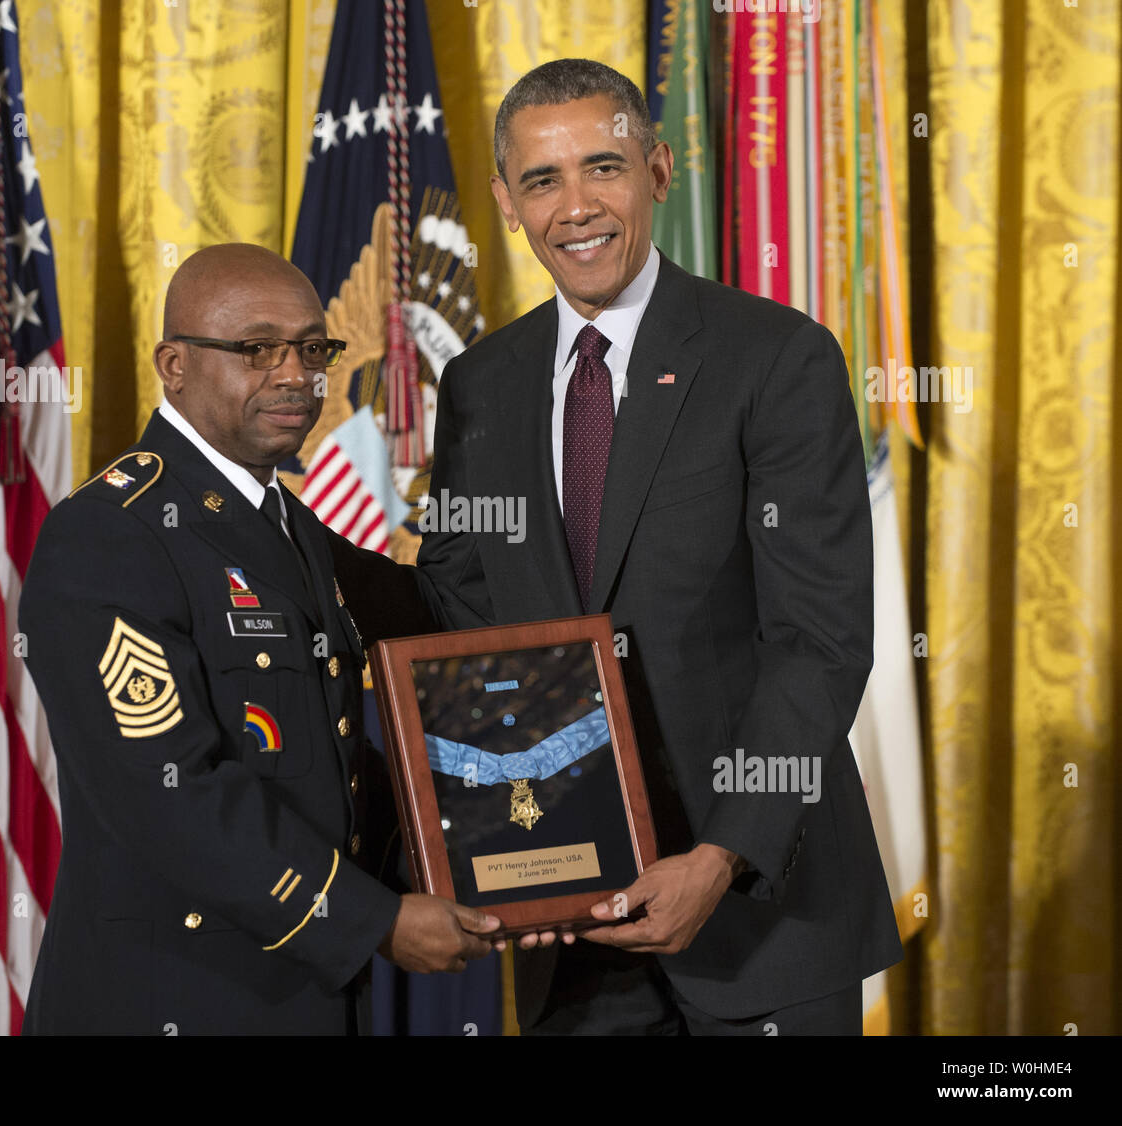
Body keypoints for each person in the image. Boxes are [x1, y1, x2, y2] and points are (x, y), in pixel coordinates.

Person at [329, 59, 903, 1035]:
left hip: (762, 919)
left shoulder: (776, 356)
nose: (577, 205)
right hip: (571, 924)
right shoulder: (482, 384)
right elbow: (458, 614)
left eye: (604, 166)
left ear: (658, 171)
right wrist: (268, 522)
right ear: (508, 201)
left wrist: (721, 856)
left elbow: (820, 639)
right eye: (543, 179)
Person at [19, 244, 498, 1036]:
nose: (295, 375)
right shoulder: (107, 537)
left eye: (313, 349)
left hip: (307, 995)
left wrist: (506, 854)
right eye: (255, 349)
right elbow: (175, 796)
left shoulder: (286, 526)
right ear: (173, 365)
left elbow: (439, 622)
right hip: (174, 999)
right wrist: (372, 921)